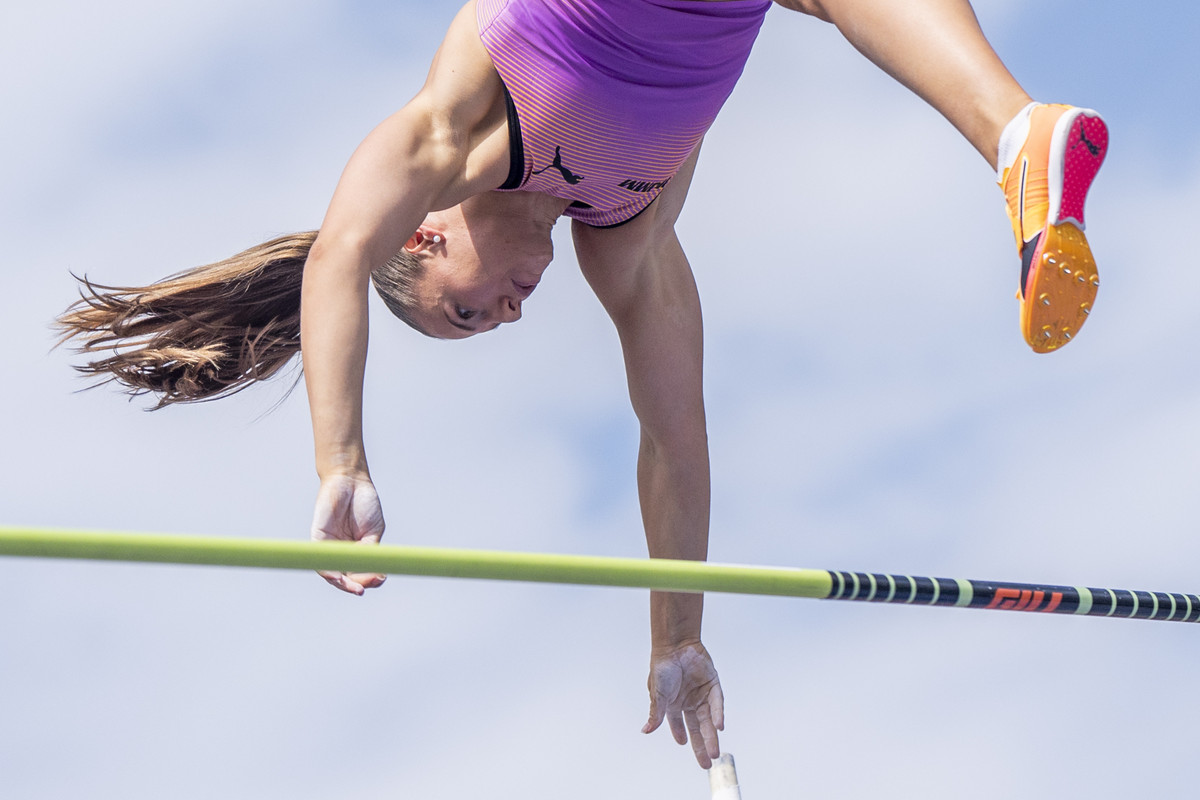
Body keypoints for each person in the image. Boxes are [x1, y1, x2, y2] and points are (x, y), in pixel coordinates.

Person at [55, 0, 1107, 769]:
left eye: (464, 308)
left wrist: (342, 463)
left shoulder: (448, 135)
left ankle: (1015, 135)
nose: (510, 314)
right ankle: (1017, 135)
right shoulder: (626, 239)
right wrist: (677, 633)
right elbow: (672, 439)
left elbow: (335, 257)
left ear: (422, 236)